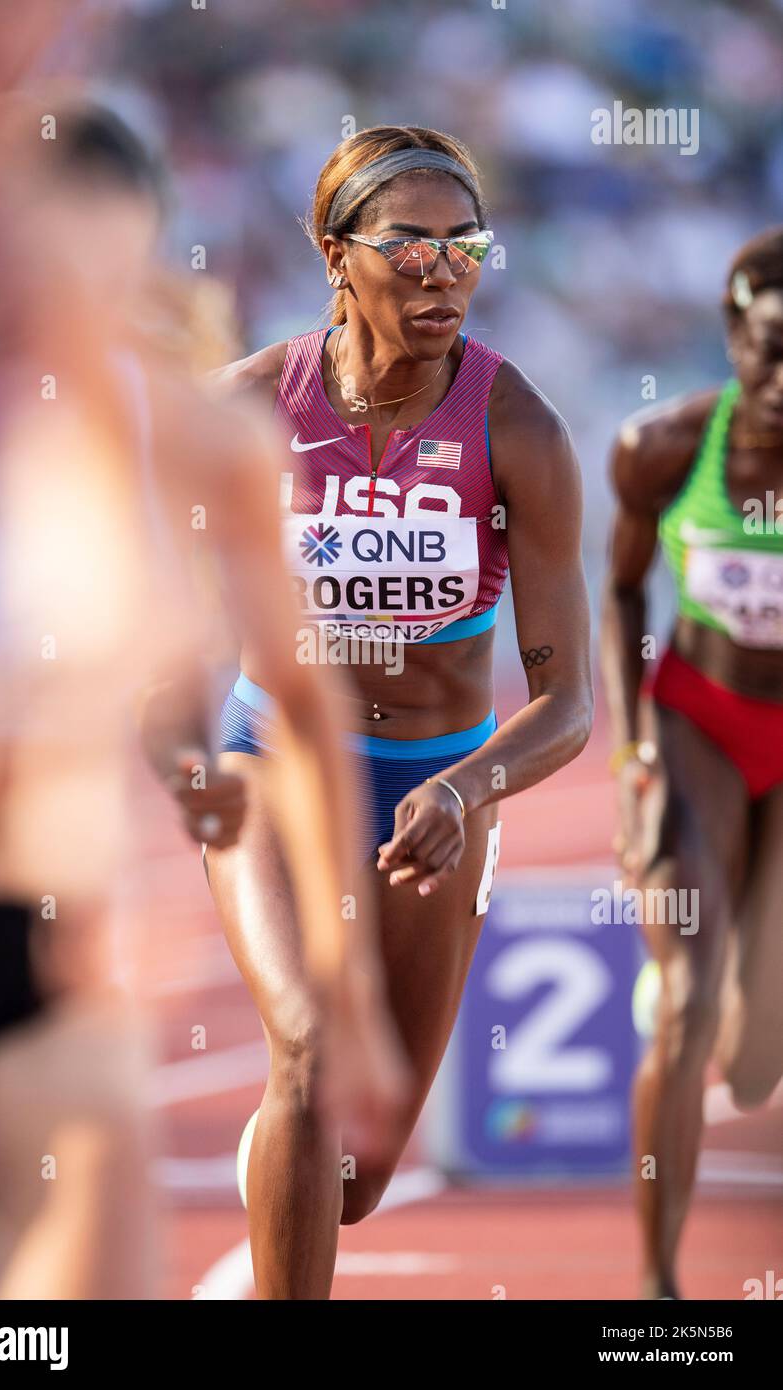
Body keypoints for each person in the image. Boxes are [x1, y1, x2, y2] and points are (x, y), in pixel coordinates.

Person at [0, 94, 403, 1299]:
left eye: (92, 255)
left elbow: (297, 703)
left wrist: (346, 987)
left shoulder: (199, 442)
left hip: (34, 941)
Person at [200, 124, 593, 1299]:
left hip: (439, 782)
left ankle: (294, 1157)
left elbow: (569, 698)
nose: (442, 269)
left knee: (356, 1172)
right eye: (407, 243)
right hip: (274, 755)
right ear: (336, 256)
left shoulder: (515, 429)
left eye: (463, 243)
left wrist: (467, 785)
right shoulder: (244, 412)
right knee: (312, 1053)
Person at [602, 227, 783, 1300]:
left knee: (756, 1059)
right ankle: (657, 1288)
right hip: (698, 725)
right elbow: (621, 591)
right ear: (729, 334)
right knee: (682, 1001)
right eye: (770, 347)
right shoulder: (662, 447)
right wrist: (633, 755)